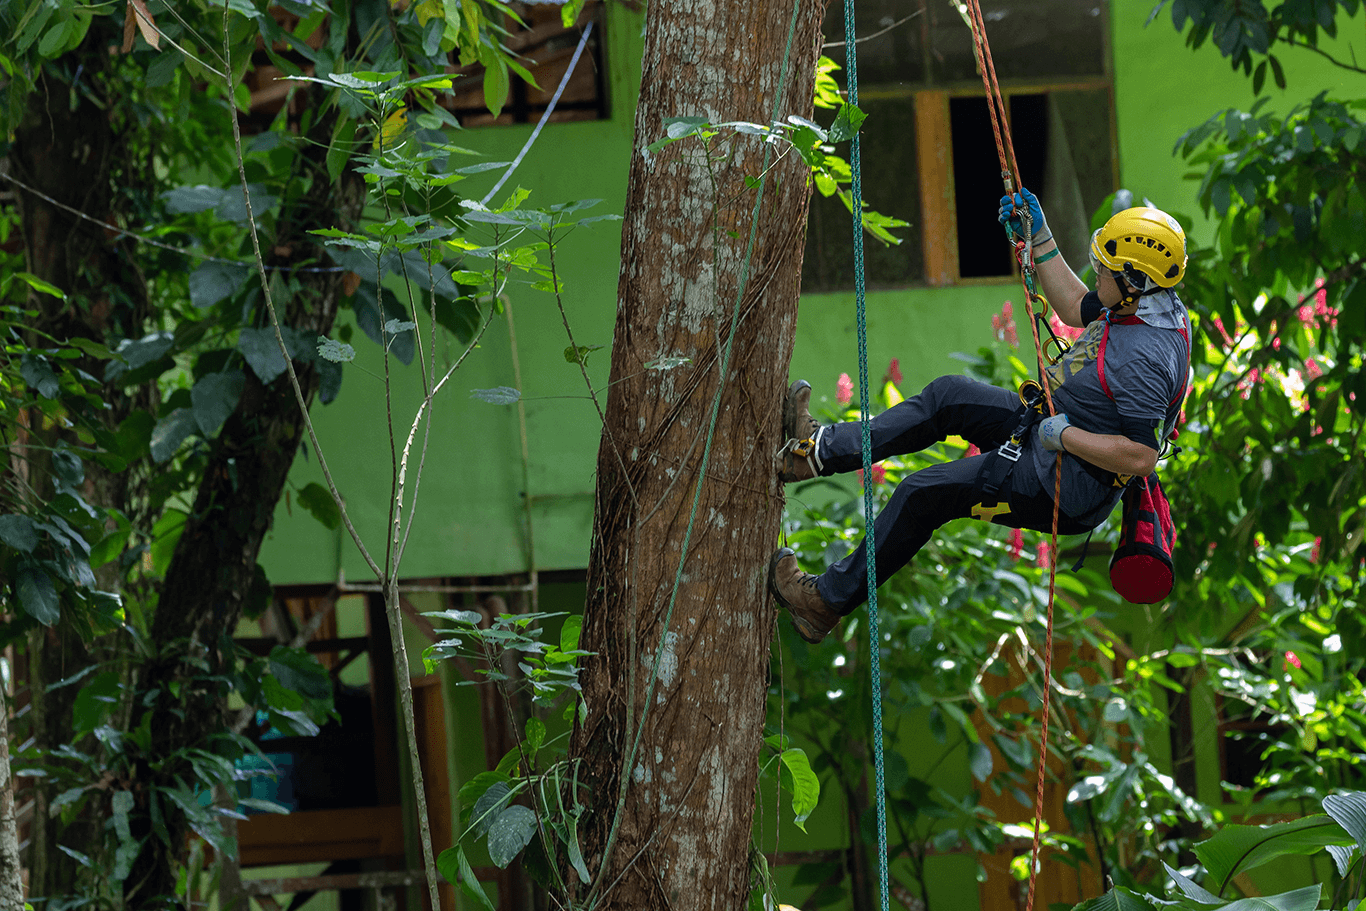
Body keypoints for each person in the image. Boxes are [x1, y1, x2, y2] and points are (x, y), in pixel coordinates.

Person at [768, 188, 1191, 643]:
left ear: (1133, 281)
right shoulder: (1143, 303)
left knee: (922, 494)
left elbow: (1140, 456)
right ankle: (817, 453)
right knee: (949, 396)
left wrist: (1064, 436)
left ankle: (824, 602)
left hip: (1064, 483)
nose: (1099, 271)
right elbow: (1075, 306)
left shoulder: (1146, 357)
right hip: (1050, 431)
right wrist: (1040, 235)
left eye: (1106, 268)